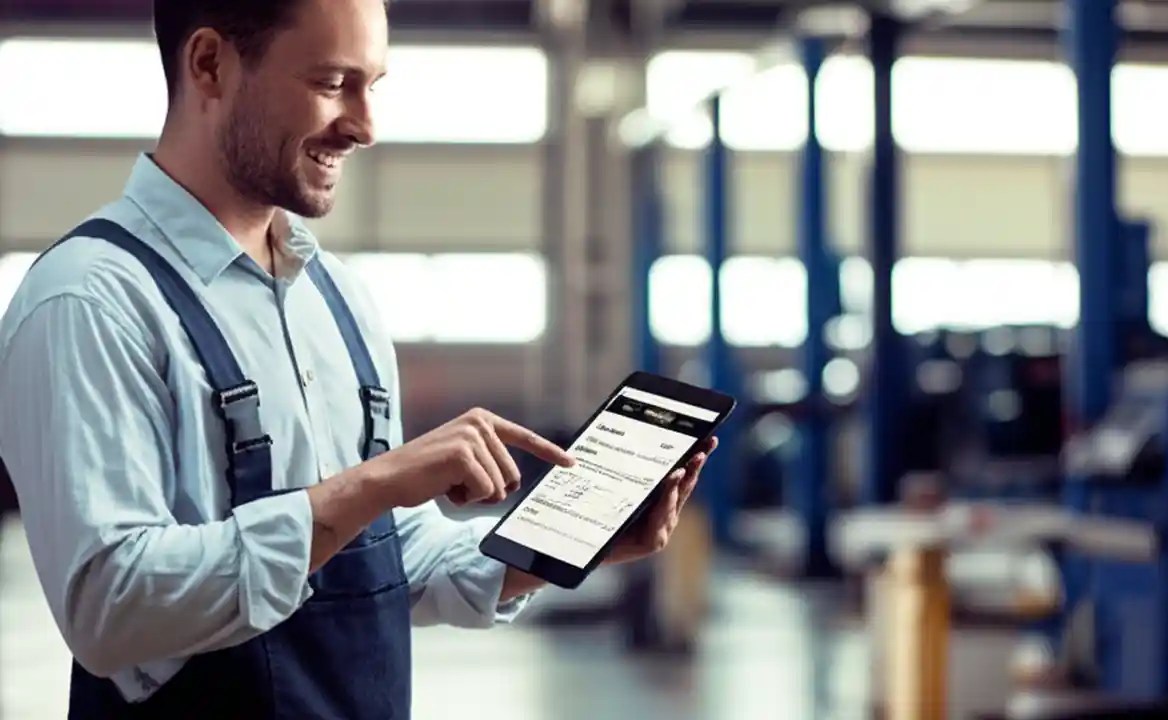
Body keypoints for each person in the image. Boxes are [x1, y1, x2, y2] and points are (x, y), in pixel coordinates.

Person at [0, 0, 716, 717]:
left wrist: (558, 548)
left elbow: (383, 559)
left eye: (373, 84)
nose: (365, 126)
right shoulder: (90, 301)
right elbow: (110, 610)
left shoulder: (336, 299)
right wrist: (371, 486)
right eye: (331, 82)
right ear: (210, 64)